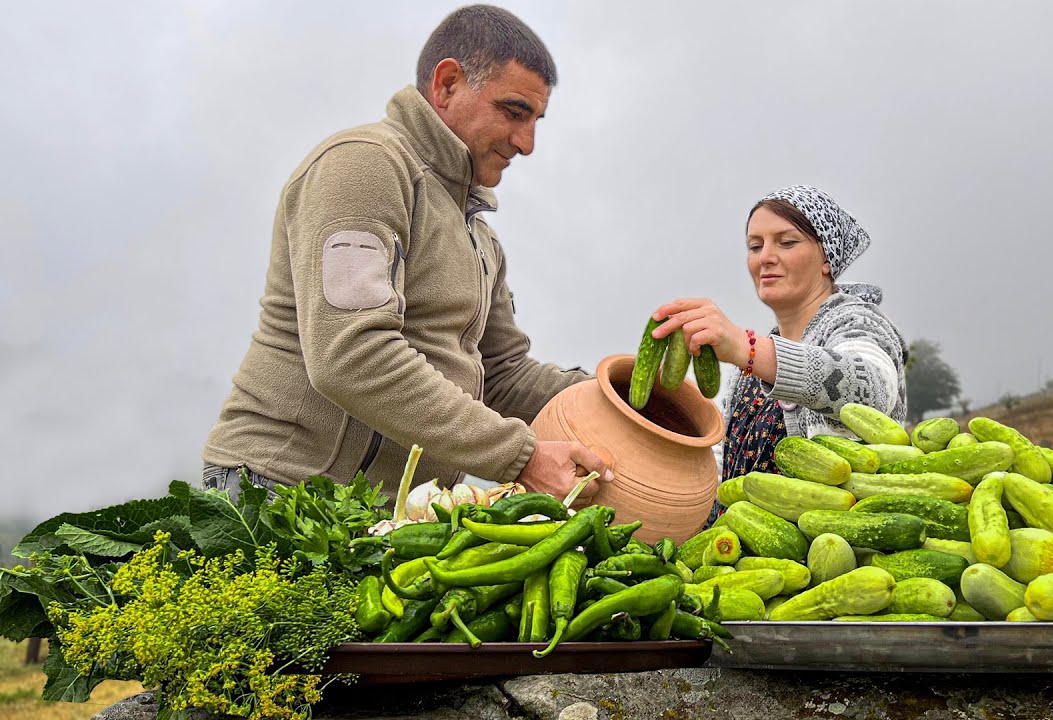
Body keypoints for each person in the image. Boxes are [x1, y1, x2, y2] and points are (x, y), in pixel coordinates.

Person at [202, 5, 611, 502]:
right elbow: (351, 354)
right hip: (280, 490)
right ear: (447, 84)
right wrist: (520, 457)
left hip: (384, 511)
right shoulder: (365, 165)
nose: (526, 143)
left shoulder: (480, 237)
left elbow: (503, 376)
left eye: (535, 121)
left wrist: (622, 394)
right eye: (513, 112)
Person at [651, 185, 907, 521]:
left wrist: (746, 348)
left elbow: (872, 389)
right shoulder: (751, 364)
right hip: (744, 549)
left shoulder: (856, 321)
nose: (765, 258)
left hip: (832, 545)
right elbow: (723, 471)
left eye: (787, 242)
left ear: (827, 258)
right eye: (755, 246)